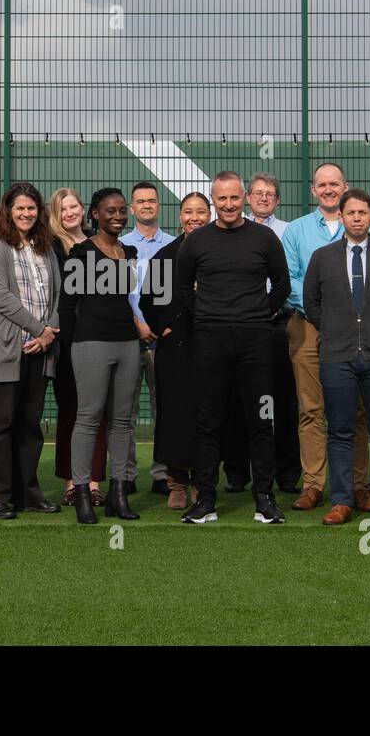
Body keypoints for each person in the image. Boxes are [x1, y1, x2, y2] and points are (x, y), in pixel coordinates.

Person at [176, 171, 291, 524]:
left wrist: (257, 313)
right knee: (208, 421)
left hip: (256, 342)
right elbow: (182, 289)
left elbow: (282, 285)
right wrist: (211, 316)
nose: (228, 205)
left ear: (244, 198)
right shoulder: (196, 242)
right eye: (221, 199)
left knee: (261, 421)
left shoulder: (265, 237)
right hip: (209, 342)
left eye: (234, 198)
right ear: (214, 201)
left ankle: (265, 499)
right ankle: (206, 500)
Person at [304, 189, 370, 526]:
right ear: (342, 216)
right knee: (339, 431)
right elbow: (311, 303)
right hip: (338, 356)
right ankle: (341, 501)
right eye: (350, 213)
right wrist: (335, 329)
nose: (357, 218)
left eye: (363, 213)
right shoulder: (322, 257)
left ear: (369, 215)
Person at [280, 163, 370, 512]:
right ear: (313, 190)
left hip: (355, 330)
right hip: (307, 326)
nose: (328, 189)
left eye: (334, 183)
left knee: (357, 410)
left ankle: (359, 485)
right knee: (311, 408)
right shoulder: (296, 231)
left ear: (345, 186)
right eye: (321, 184)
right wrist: (322, 315)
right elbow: (289, 279)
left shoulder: (366, 227)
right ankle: (313, 485)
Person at [0, 183, 62, 520]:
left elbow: (58, 296)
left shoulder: (46, 247)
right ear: (7, 211)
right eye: (19, 208)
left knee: (29, 425)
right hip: (6, 349)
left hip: (41, 351)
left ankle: (27, 493)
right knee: (0, 425)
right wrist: (37, 328)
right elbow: (1, 298)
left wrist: (47, 334)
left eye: (31, 208)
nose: (26, 214)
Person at [64, 188, 144, 524]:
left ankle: (118, 495)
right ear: (94, 214)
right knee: (89, 418)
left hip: (127, 343)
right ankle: (82, 492)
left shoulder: (130, 251)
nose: (117, 216)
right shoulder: (79, 254)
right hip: (90, 344)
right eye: (110, 210)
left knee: (123, 422)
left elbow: (126, 300)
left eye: (122, 210)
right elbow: (67, 308)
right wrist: (72, 347)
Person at [231, 172, 301, 494]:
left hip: (278, 324)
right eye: (257, 192)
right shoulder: (233, 230)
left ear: (277, 199)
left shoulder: (290, 232)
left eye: (270, 193)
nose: (263, 198)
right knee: (240, 399)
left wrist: (270, 308)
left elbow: (291, 278)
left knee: (282, 400)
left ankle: (287, 473)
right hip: (240, 324)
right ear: (247, 197)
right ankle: (237, 472)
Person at [142, 192, 211, 510]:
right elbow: (148, 300)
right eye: (188, 212)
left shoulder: (219, 250)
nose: (194, 217)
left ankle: (203, 481)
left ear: (209, 215)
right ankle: (176, 483)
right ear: (179, 216)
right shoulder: (164, 256)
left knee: (207, 414)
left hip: (211, 346)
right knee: (173, 414)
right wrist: (165, 325)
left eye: (200, 211)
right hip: (174, 349)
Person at [48, 187, 106, 506]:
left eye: (73, 206)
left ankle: (93, 482)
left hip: (100, 341)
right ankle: (73, 481)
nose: (69, 213)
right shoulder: (52, 249)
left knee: (98, 413)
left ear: (83, 210)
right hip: (67, 343)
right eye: (62, 209)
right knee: (72, 411)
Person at [118, 182, 170, 495]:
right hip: (127, 338)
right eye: (141, 201)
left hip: (162, 340)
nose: (147, 205)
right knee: (126, 410)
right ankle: (125, 474)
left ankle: (163, 474)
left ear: (158, 205)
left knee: (163, 407)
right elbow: (116, 295)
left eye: (151, 200)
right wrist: (136, 322)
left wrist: (159, 324)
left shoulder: (173, 245)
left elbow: (175, 295)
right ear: (132, 208)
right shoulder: (119, 246)